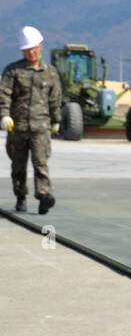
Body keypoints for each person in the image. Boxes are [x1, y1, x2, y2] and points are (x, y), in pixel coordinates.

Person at [1, 26, 61, 215]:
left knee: (40, 163)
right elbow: (4, 96)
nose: (31, 52)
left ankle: (44, 196)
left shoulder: (50, 73)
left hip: (40, 127)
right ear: (22, 50)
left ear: (41, 47)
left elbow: (55, 98)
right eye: (27, 49)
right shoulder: (13, 71)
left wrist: (56, 120)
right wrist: (4, 115)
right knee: (18, 165)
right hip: (17, 127)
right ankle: (20, 196)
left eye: (34, 48)